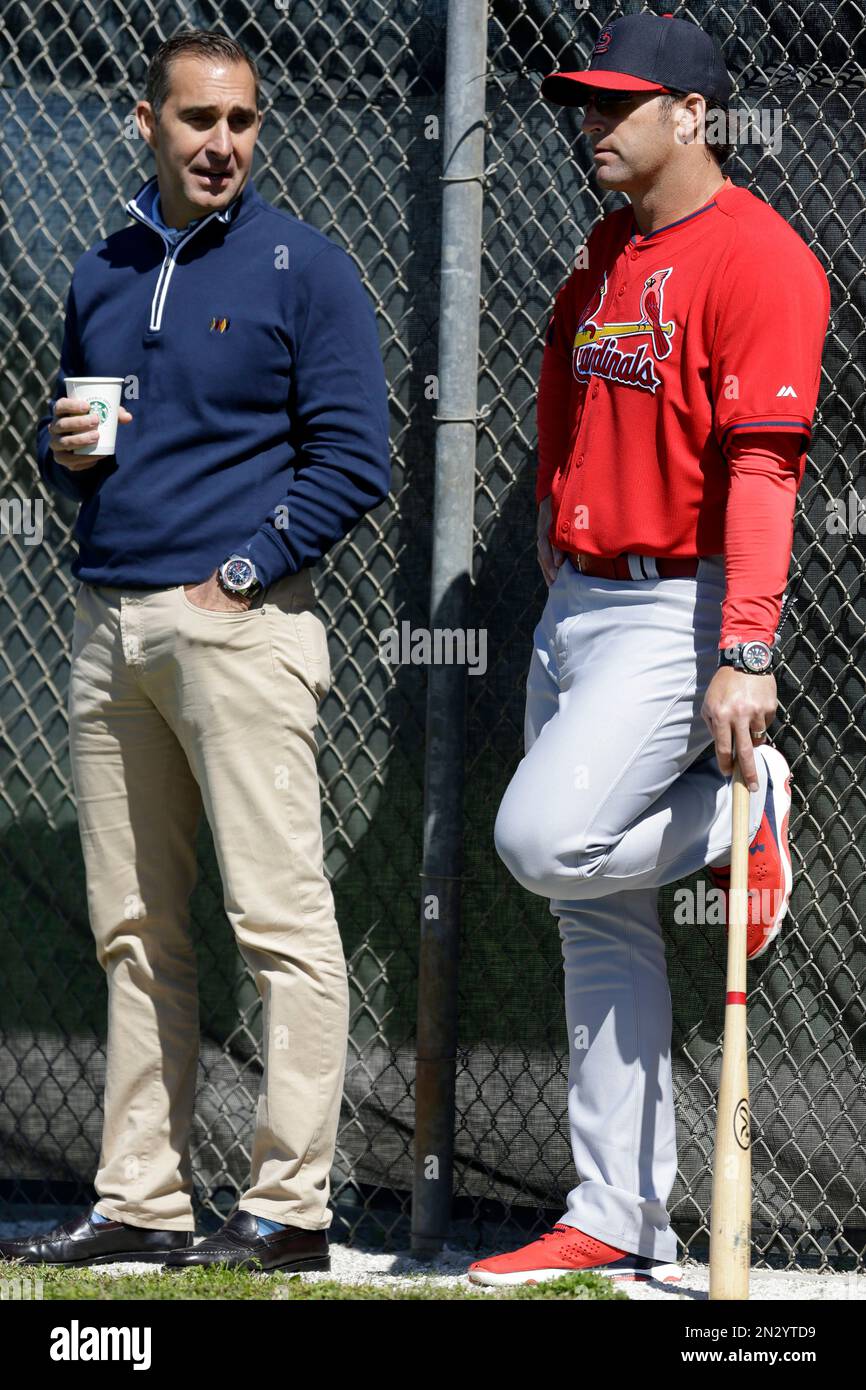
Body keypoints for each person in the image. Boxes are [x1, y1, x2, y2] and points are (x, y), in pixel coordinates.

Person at [4, 29, 390, 1273]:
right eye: (196, 121)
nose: (220, 143)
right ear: (148, 123)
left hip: (241, 628)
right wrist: (69, 461)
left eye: (240, 122)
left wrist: (236, 576)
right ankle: (143, 1200)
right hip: (105, 625)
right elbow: (88, 457)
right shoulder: (101, 270)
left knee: (279, 924)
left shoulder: (304, 267)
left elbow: (354, 461)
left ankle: (289, 1209)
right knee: (134, 929)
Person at [467, 12, 829, 1287]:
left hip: (681, 608)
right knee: (594, 921)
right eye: (585, 102)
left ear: (690, 115)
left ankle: (748, 813)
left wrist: (745, 646)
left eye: (619, 104)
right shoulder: (606, 253)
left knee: (538, 840)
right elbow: (567, 403)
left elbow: (764, 469)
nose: (592, 124)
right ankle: (615, 1212)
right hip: (581, 604)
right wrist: (559, 525)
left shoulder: (758, 260)